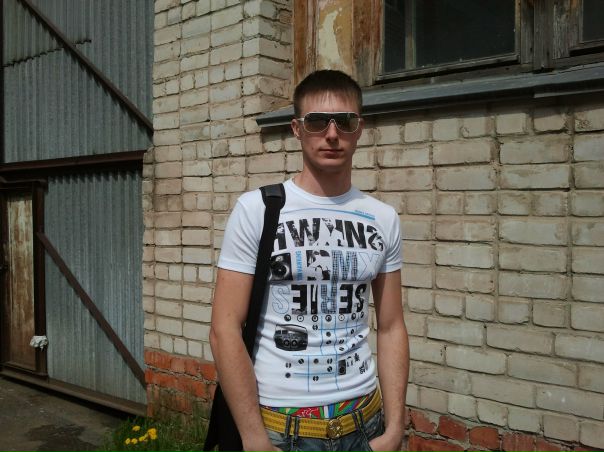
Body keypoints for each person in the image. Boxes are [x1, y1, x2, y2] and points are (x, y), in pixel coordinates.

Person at [210, 69, 409, 452]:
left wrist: (396, 427)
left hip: (365, 425)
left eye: (345, 121)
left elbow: (391, 326)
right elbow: (224, 328)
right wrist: (253, 438)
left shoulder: (382, 218)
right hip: (280, 429)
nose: (332, 134)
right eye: (317, 122)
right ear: (297, 129)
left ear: (359, 129)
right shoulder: (258, 209)